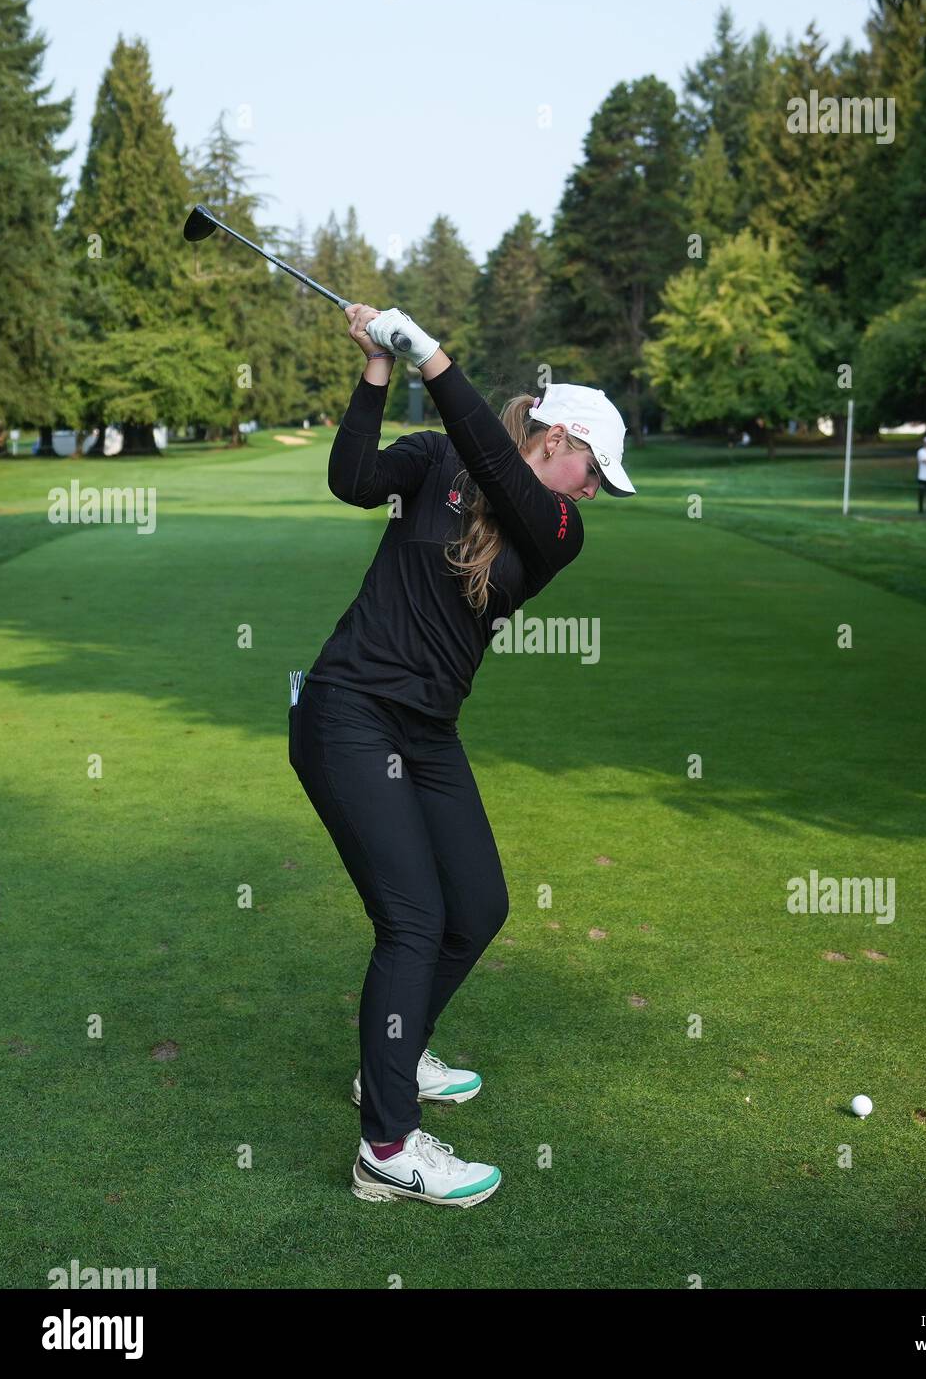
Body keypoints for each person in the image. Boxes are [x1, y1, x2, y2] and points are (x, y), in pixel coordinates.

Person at [289, 305, 634, 1210]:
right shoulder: (436, 457)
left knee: (478, 906)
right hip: (349, 714)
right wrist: (377, 369)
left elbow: (494, 464)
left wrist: (432, 356)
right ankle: (388, 1149)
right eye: (594, 468)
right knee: (413, 920)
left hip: (426, 733)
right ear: (560, 437)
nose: (595, 488)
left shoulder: (557, 528)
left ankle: (392, 1062)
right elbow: (354, 479)